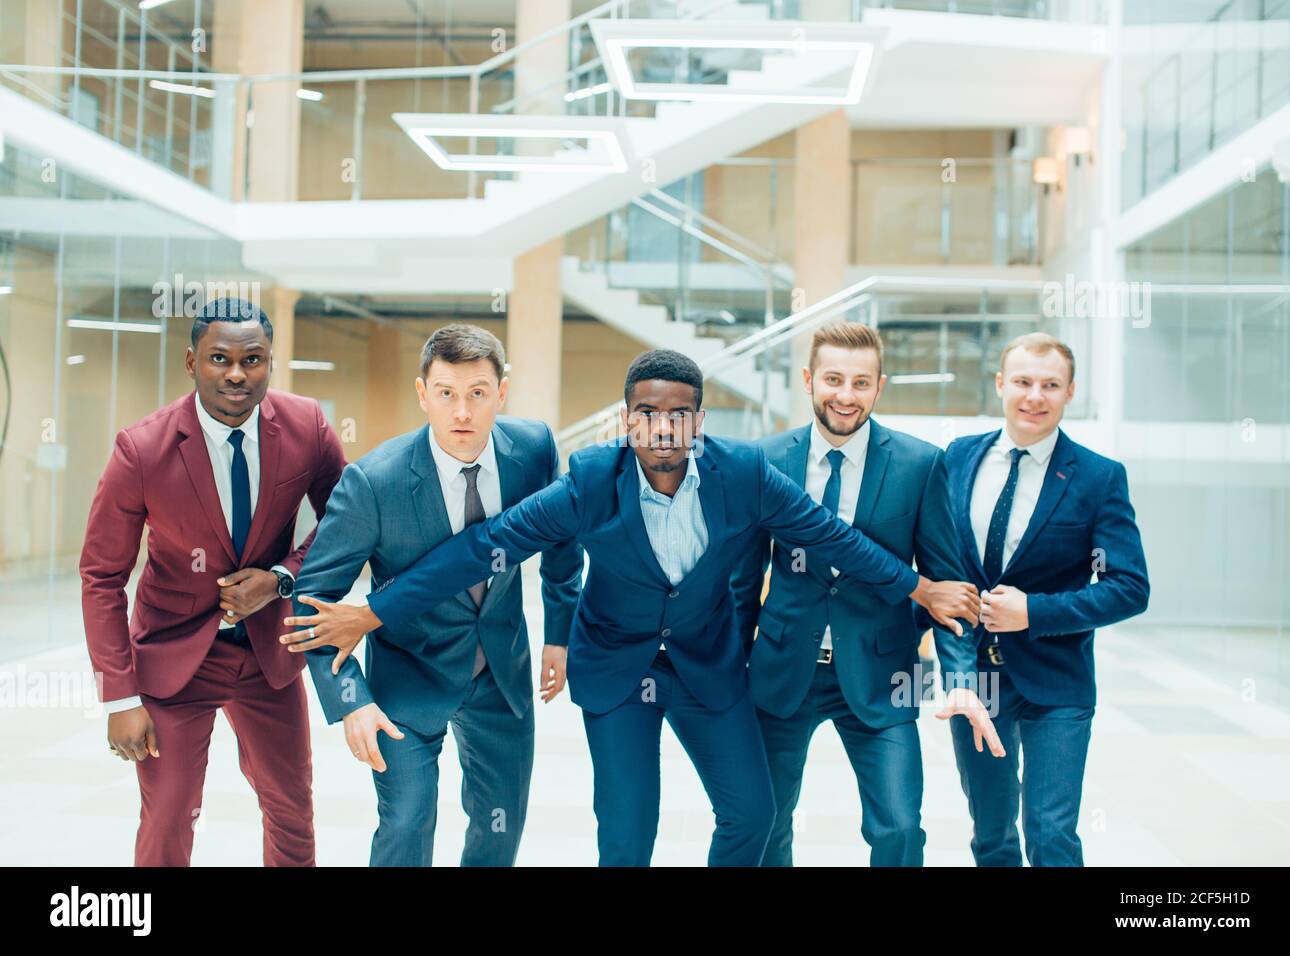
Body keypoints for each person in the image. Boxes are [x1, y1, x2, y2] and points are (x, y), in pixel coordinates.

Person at [284, 348, 978, 866]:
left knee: (753, 814)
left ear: (699, 420)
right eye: (648, 412)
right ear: (628, 419)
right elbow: (489, 545)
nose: (664, 425)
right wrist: (374, 612)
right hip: (617, 671)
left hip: (708, 668)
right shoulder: (592, 479)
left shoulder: (743, 474)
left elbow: (831, 537)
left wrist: (917, 589)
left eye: (680, 412)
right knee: (627, 829)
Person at [285, 324, 581, 866]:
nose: (461, 412)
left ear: (501, 392)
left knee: (500, 825)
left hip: (500, 675)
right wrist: (352, 700)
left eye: (477, 393)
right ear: (423, 394)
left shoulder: (533, 451)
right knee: (407, 823)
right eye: (445, 394)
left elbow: (562, 546)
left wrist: (559, 636)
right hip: (406, 679)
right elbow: (310, 602)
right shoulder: (374, 482)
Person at [79, 297, 347, 866]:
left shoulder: (308, 427)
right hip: (174, 659)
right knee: (170, 814)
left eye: (253, 359)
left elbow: (346, 526)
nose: (236, 373)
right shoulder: (142, 449)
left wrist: (281, 579)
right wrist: (120, 696)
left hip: (267, 658)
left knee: (292, 809)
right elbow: (102, 576)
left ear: (270, 362)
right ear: (190, 362)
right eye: (219, 358)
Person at [732, 320, 1000, 867]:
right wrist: (729, 666)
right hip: (782, 668)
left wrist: (962, 681)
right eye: (833, 379)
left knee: (900, 829)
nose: (845, 396)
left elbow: (946, 589)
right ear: (809, 380)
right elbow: (740, 580)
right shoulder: (763, 459)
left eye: (860, 383)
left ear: (880, 387)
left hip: (889, 672)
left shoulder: (920, 464)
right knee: (765, 827)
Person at [943, 332, 1149, 866]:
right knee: (991, 834)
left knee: (1051, 834)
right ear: (1000, 385)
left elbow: (1129, 588)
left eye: (1050, 385)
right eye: (1023, 382)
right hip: (979, 681)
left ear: (1069, 391)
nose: (1035, 396)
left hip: (1057, 681)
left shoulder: (1099, 477)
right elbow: (943, 568)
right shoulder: (959, 458)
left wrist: (1033, 611)